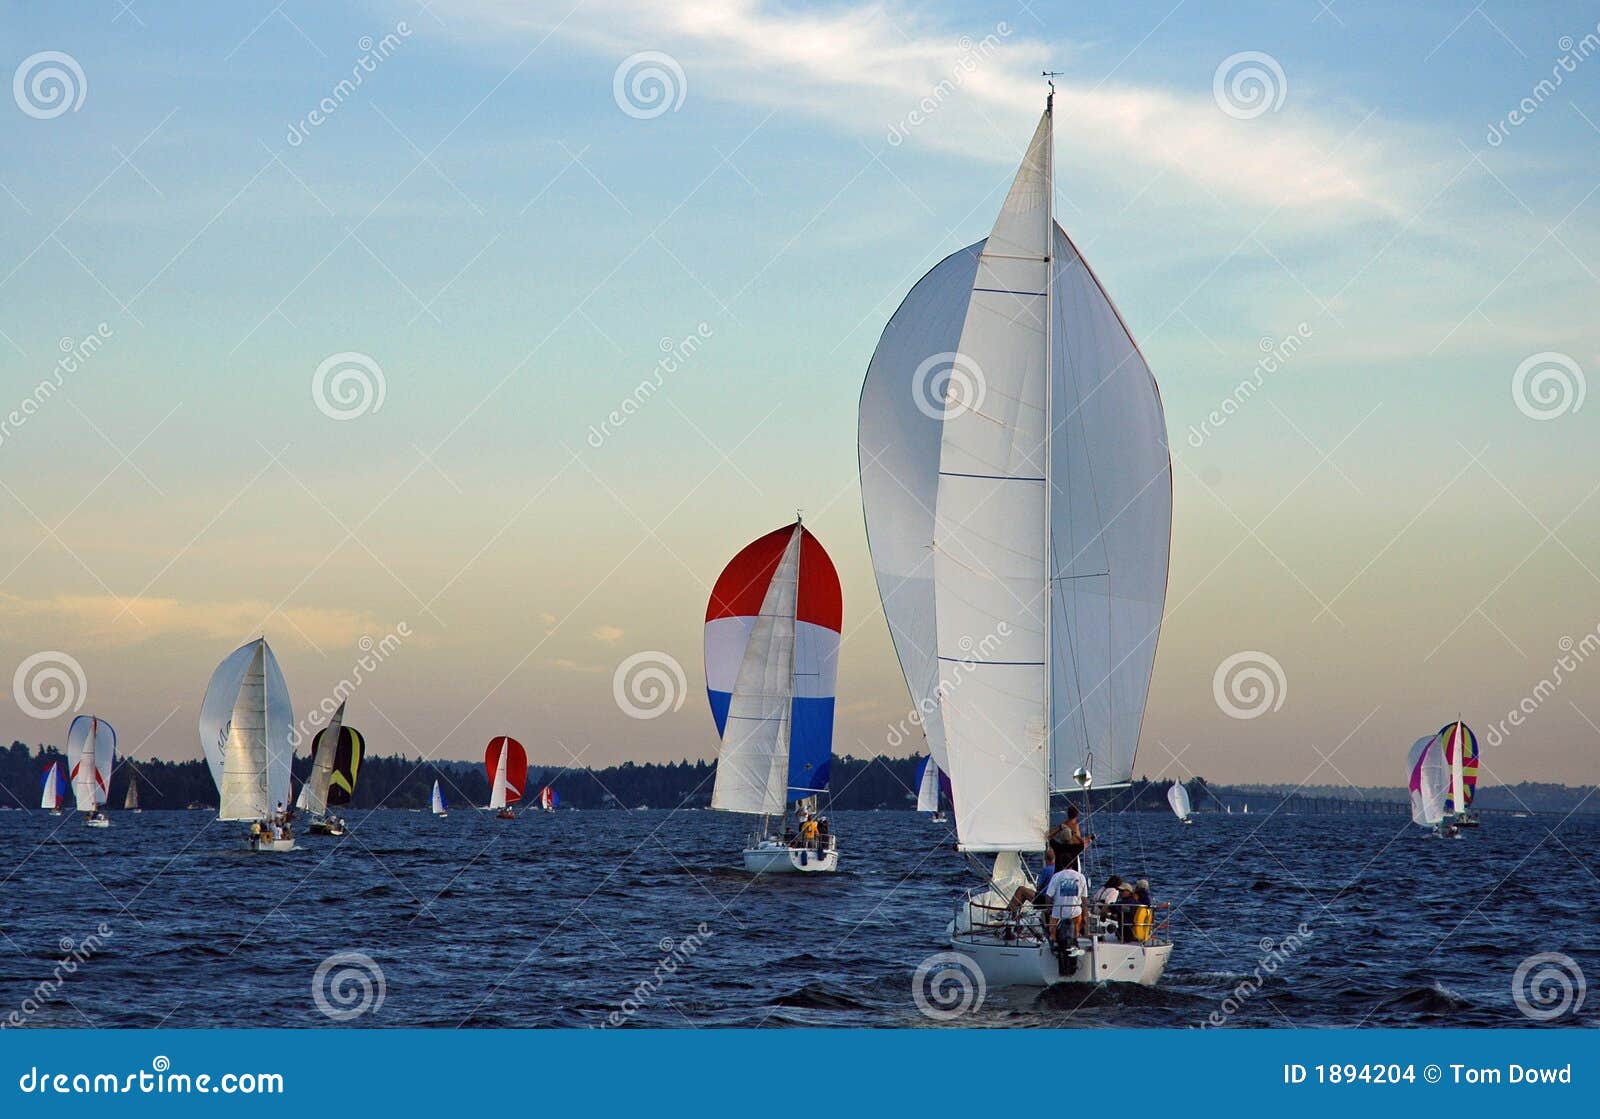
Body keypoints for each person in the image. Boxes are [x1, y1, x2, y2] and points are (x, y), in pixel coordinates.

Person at [1045, 860, 1088, 953]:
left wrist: (1049, 909)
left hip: (1058, 913)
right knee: (1077, 927)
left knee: (1052, 930)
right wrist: (1085, 916)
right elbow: (1084, 899)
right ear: (1073, 865)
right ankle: (1075, 940)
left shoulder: (1056, 876)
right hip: (1075, 912)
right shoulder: (1081, 877)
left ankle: (1053, 940)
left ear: (1061, 865)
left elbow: (1048, 896)